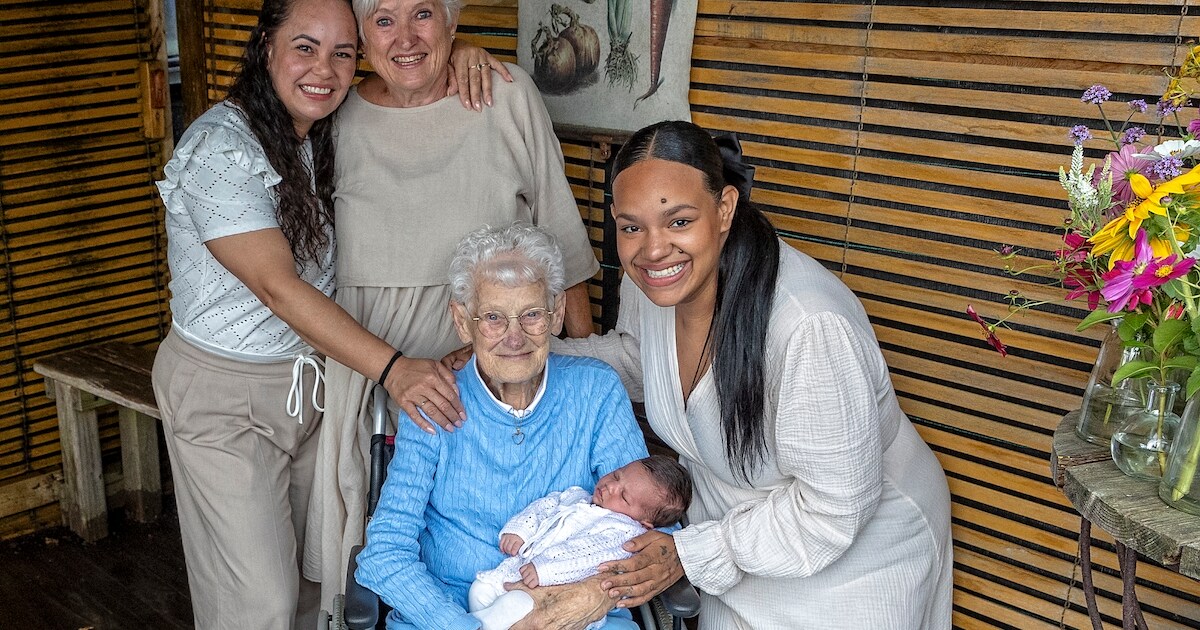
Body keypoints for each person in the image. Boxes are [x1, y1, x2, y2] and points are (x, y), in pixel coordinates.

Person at [150, 0, 504, 627]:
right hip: (224, 396)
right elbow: (278, 289)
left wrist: (461, 53)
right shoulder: (221, 148)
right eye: (305, 48)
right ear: (267, 47)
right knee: (257, 603)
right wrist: (393, 369)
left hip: (314, 388)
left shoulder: (318, 131)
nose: (325, 70)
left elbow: (407, 75)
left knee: (318, 582)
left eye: (343, 53)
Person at [547, 121, 955, 629]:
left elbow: (834, 508)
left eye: (678, 221)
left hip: (854, 566)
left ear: (724, 208)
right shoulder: (655, 283)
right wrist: (529, 356)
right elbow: (642, 360)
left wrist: (694, 553)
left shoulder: (809, 327)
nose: (653, 249)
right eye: (632, 227)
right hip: (732, 550)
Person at [307, 0, 602, 607]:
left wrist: (579, 373)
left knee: (517, 538)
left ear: (452, 20)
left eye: (423, 13)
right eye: (383, 19)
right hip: (370, 374)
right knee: (383, 541)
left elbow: (566, 250)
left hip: (500, 369)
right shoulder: (335, 115)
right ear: (360, 34)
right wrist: (386, 373)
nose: (405, 37)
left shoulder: (503, 94)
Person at [354, 223, 645, 630]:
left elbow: (650, 522)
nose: (514, 338)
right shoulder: (435, 402)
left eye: (532, 315)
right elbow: (384, 554)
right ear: (462, 322)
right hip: (449, 613)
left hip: (578, 614)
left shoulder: (595, 390)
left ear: (557, 313)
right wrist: (463, 627)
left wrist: (588, 596)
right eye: (493, 318)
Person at [468, 456, 692, 630]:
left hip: (555, 594)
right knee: (480, 590)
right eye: (616, 475)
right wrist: (520, 530)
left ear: (645, 523)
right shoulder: (576, 497)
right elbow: (543, 507)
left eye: (624, 496)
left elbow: (588, 557)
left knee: (511, 606)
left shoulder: (624, 532)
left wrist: (546, 569)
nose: (610, 487)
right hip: (517, 572)